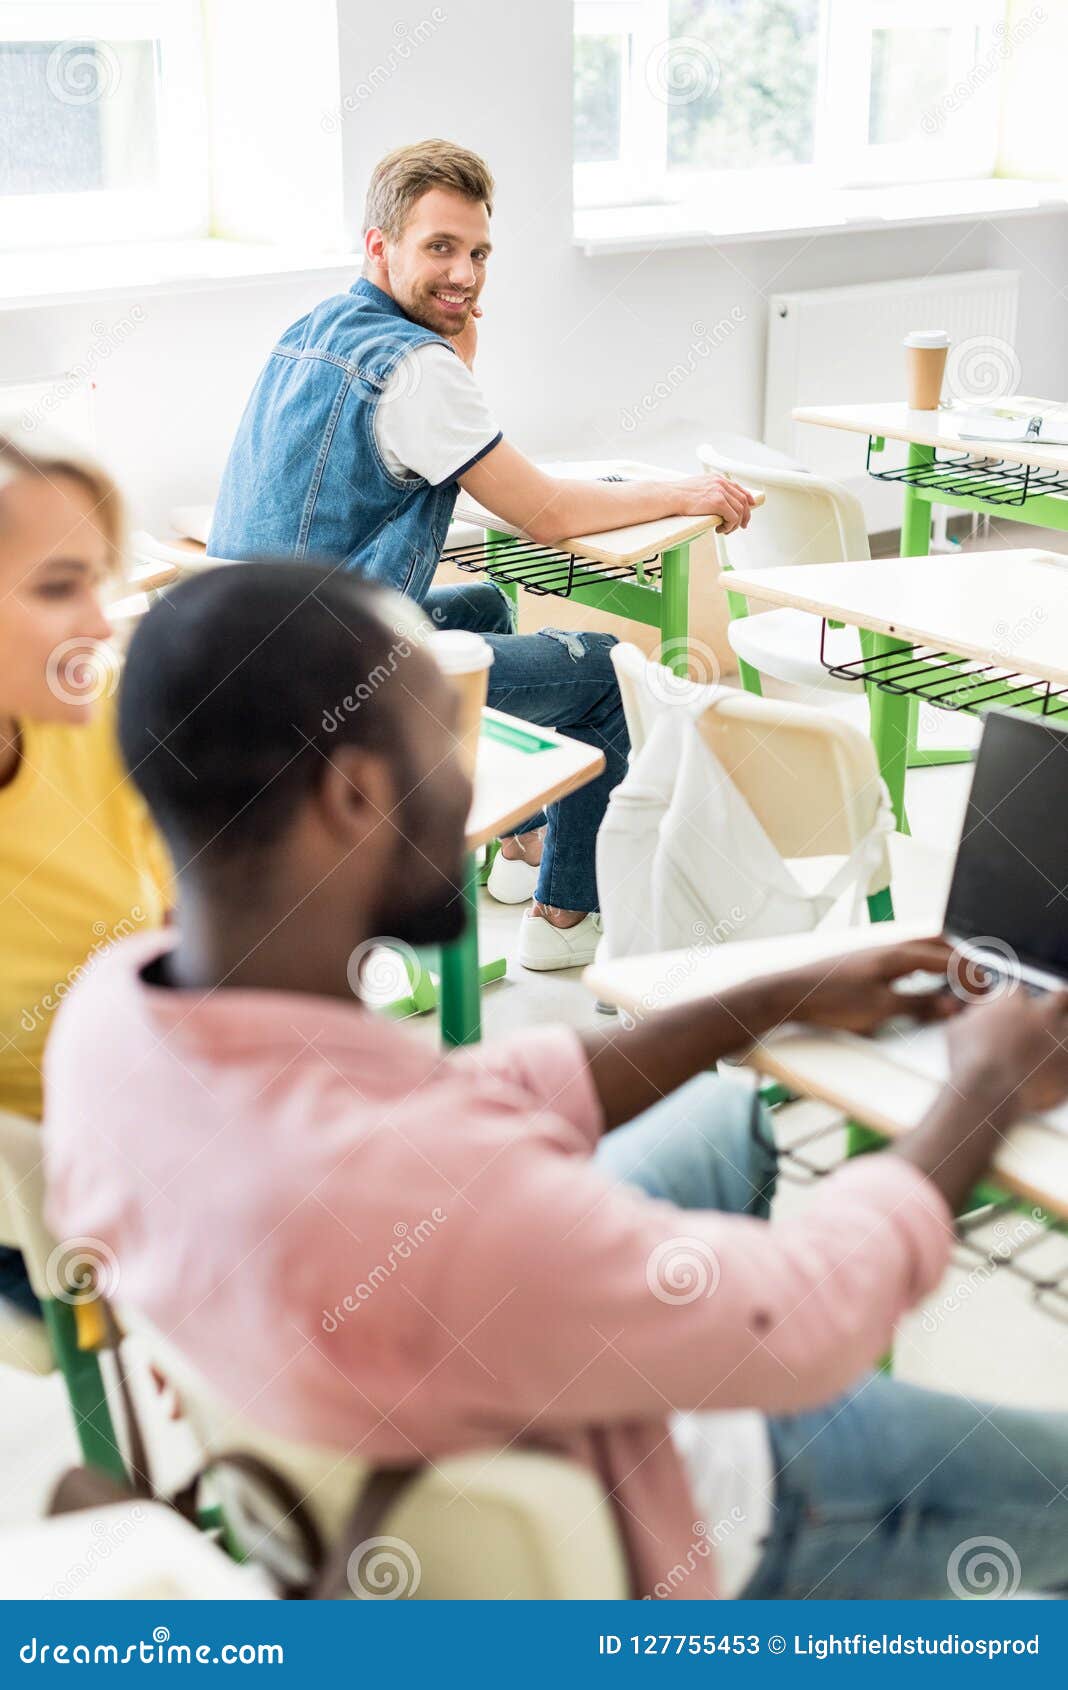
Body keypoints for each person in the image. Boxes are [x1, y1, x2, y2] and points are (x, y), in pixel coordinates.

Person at [43, 564, 1068, 1600]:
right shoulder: (427, 1201)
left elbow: (456, 1108)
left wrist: (772, 993)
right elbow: (807, 1322)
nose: (467, 776)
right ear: (353, 792)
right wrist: (983, 1089)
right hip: (687, 1506)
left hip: (387, 1395)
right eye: (447, 737)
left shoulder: (106, 1022)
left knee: (719, 1116)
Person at [208, 138, 756, 971]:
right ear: (379, 246)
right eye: (440, 248)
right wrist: (685, 494)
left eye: (478, 253)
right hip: (327, 686)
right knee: (607, 670)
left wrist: (456, 356)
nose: (464, 273)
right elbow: (546, 511)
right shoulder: (417, 369)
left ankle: (524, 845)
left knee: (483, 608)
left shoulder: (319, 325)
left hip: (243, 659)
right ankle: (566, 919)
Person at [0, 426, 171, 1314]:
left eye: (97, 581)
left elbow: (187, 927)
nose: (103, 623)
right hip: (33, 1205)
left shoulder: (95, 712)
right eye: (60, 588)